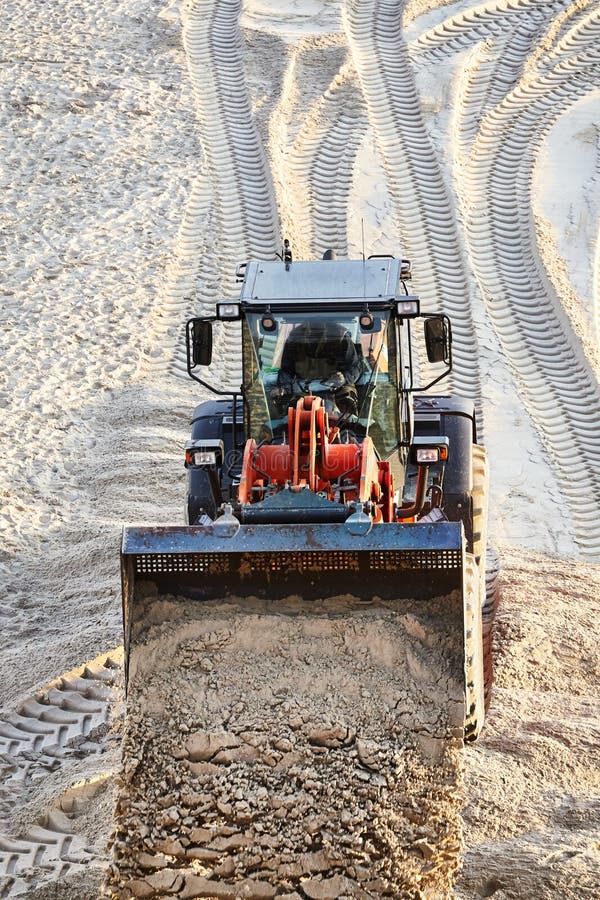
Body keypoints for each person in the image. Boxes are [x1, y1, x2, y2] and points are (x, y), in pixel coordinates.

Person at [271, 320, 362, 415]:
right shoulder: (295, 337)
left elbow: (355, 368)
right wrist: (283, 388)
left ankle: (350, 427)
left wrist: (344, 378)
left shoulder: (340, 335)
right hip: (303, 391)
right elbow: (286, 371)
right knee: (287, 412)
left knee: (348, 404)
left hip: (336, 390)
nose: (315, 323)